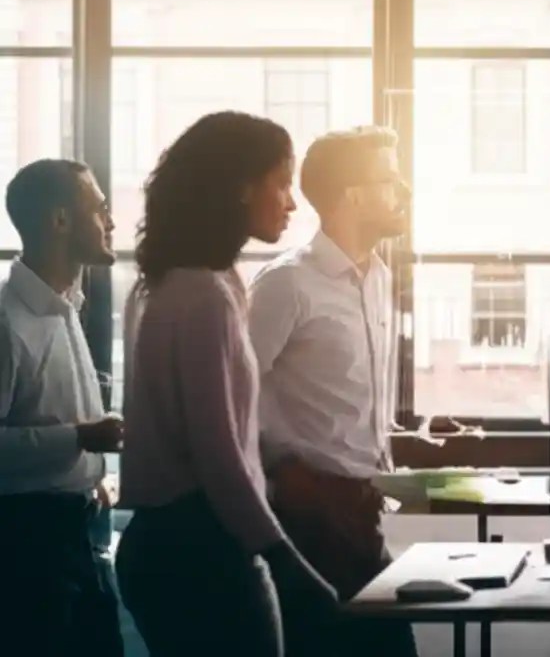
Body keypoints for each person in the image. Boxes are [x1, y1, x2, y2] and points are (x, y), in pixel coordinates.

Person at [115, 111, 337, 657]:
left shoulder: (164, 285)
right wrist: (286, 561)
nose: (291, 202)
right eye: (282, 182)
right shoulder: (205, 297)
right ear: (241, 187)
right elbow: (218, 456)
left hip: (165, 544)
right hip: (198, 550)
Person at [247, 127, 416, 657]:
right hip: (307, 516)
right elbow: (230, 398)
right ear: (351, 194)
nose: (404, 190)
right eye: (389, 178)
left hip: (362, 509)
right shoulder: (285, 285)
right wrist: (277, 474)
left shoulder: (379, 276)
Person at [0, 159, 125, 657]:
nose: (111, 222)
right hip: (29, 544)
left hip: (82, 532)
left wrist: (92, 475)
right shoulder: (6, 324)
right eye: (100, 208)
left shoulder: (65, 307)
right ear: (59, 221)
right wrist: (79, 439)